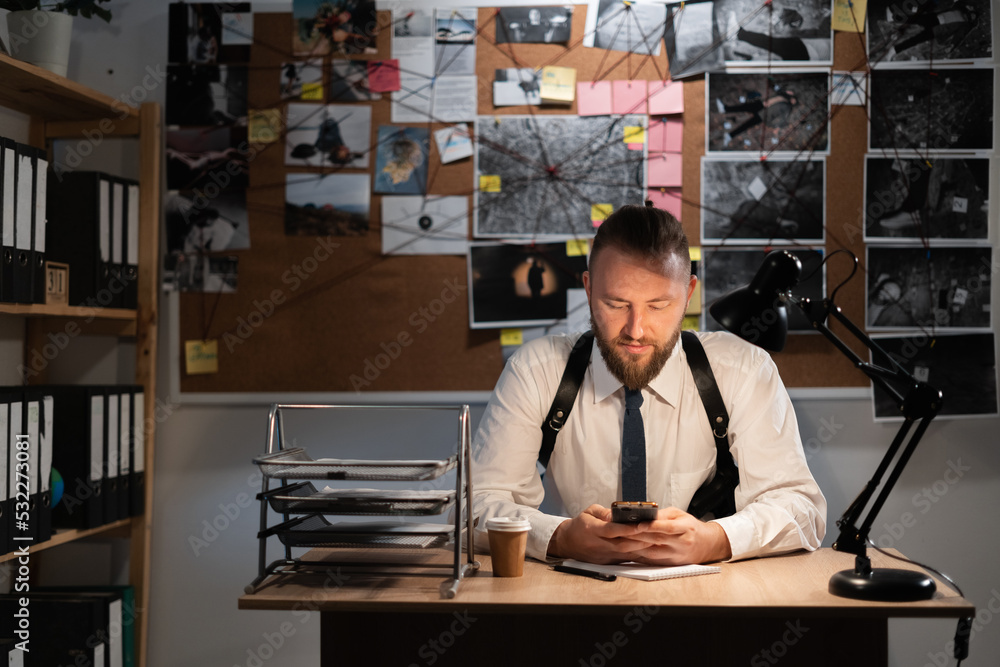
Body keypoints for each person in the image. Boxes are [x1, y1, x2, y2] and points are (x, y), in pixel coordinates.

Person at [472, 204, 826, 565]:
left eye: (658, 306)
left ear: (688, 294)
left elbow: (800, 508)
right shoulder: (536, 370)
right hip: (577, 598)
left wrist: (716, 540)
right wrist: (560, 537)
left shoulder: (743, 369)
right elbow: (478, 505)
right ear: (589, 289)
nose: (636, 330)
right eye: (615, 303)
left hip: (709, 601)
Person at [715, 87, 798, 147]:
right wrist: (788, 92)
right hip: (761, 105)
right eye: (793, 97)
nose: (793, 100)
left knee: (746, 125)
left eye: (794, 101)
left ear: (794, 103)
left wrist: (775, 126)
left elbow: (783, 119)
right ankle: (725, 109)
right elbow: (776, 94)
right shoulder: (782, 94)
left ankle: (729, 136)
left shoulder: (788, 108)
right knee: (743, 107)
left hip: (765, 115)